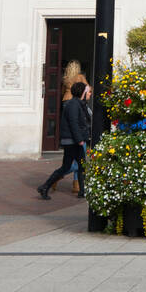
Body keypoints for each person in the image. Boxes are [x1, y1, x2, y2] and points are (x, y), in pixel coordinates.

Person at [38, 81, 91, 200]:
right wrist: (79, 140)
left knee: (78, 166)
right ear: (82, 92)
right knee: (69, 167)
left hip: (74, 141)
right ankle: (45, 186)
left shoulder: (78, 104)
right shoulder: (73, 105)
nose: (88, 93)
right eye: (86, 91)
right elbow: (74, 124)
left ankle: (82, 191)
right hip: (72, 142)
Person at [61, 60, 91, 193]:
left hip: (65, 101)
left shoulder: (66, 79)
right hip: (76, 102)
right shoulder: (80, 77)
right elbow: (87, 88)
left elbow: (63, 91)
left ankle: (75, 183)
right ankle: (73, 182)